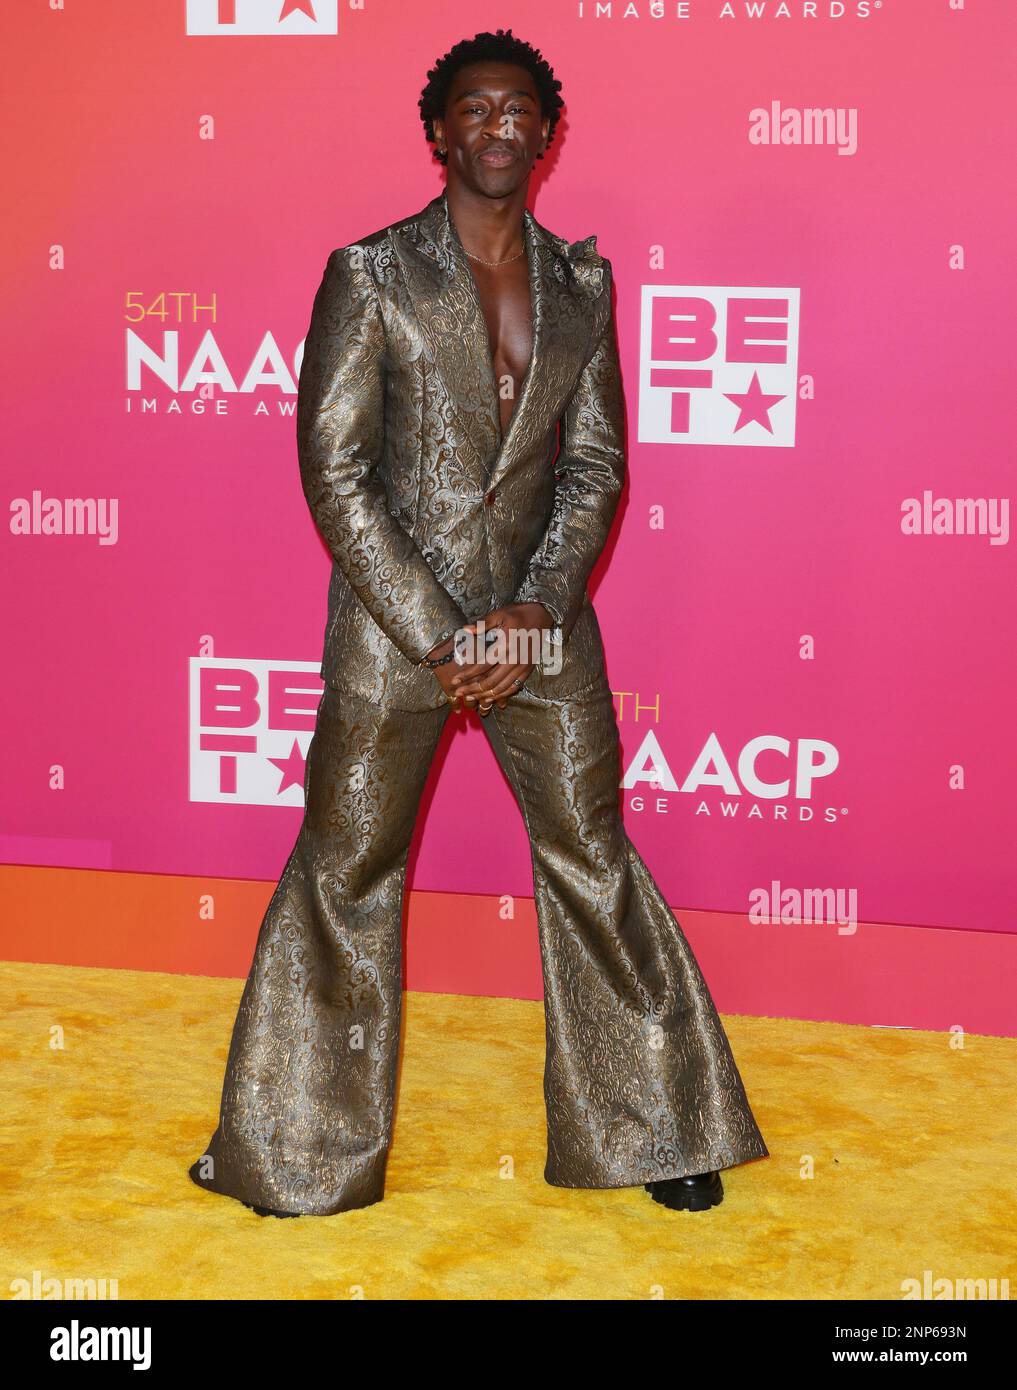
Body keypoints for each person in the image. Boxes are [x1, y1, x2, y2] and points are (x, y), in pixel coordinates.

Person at [190, 28, 768, 1219]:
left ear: (549, 135)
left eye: (521, 110)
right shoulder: (370, 274)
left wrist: (530, 614)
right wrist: (447, 634)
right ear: (439, 134)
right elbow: (336, 473)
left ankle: (655, 1128)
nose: (500, 125)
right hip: (394, 635)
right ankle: (291, 1146)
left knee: (593, 860)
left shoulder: (585, 286)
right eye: (475, 108)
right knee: (346, 874)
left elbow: (596, 467)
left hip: (540, 631)